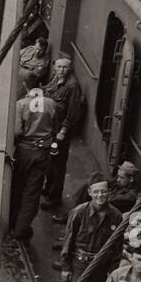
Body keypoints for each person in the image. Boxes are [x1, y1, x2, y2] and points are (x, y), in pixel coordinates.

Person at [8, 86, 56, 245]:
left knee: (17, 187)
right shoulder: (51, 103)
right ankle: (21, 229)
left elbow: (16, 131)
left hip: (24, 151)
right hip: (42, 152)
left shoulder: (21, 104)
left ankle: (11, 222)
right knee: (32, 191)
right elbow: (56, 125)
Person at [41, 54, 84, 212]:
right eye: (59, 67)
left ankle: (54, 198)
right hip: (50, 129)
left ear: (70, 68)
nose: (62, 70)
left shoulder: (72, 86)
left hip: (59, 133)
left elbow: (73, 113)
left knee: (58, 164)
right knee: (51, 160)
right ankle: (48, 188)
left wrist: (63, 131)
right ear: (55, 67)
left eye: (65, 67)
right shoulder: (55, 79)